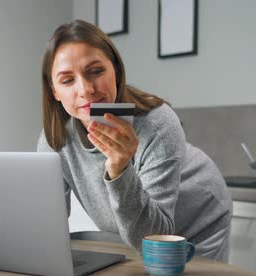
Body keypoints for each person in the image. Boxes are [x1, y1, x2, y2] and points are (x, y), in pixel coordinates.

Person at [37, 20, 232, 262]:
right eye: (67, 81)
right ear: (54, 90)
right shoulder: (55, 139)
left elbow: (153, 237)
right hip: (134, 234)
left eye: (96, 71)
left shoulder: (156, 123)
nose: (86, 89)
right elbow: (47, 227)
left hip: (198, 217)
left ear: (116, 71)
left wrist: (120, 170)